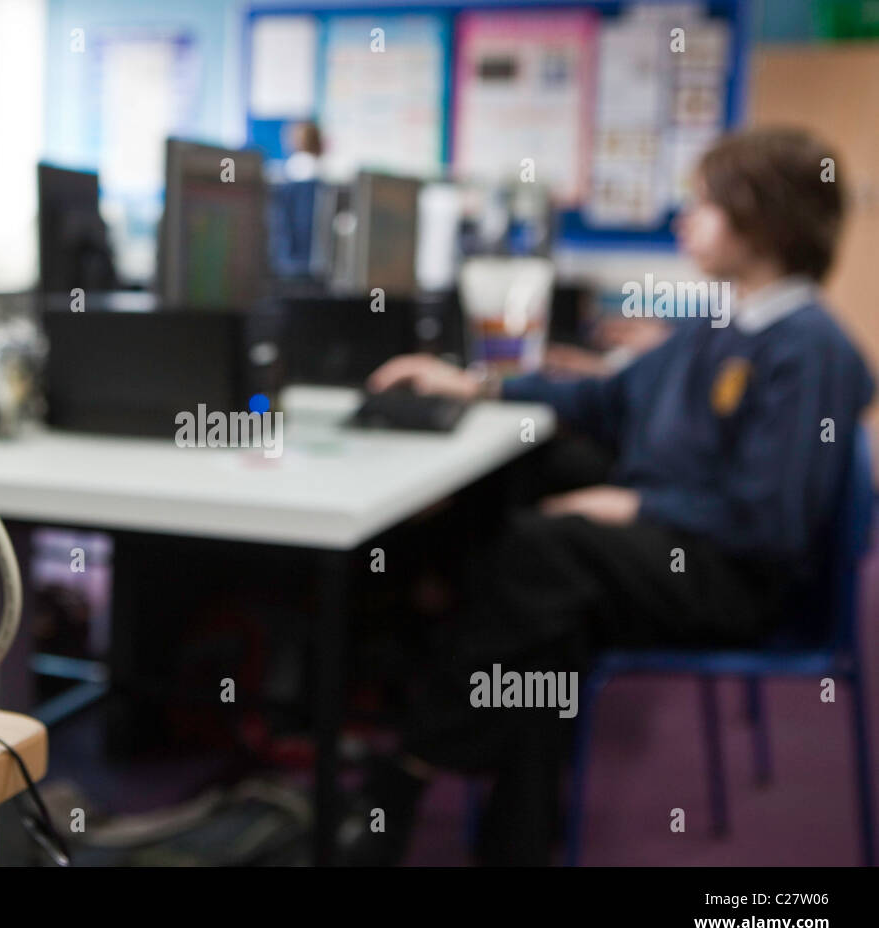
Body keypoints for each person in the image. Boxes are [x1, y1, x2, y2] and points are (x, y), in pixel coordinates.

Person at [349, 127, 875, 865]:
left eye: (707, 205)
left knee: (543, 554)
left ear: (766, 220)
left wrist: (633, 507)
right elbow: (609, 397)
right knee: (544, 605)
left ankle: (406, 768)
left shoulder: (808, 348)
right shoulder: (723, 320)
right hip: (683, 547)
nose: (685, 220)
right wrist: (482, 384)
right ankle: (517, 836)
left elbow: (772, 521)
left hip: (735, 577)